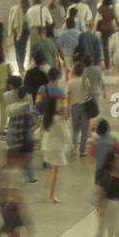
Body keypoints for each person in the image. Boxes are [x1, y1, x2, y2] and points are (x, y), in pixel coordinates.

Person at [91, 144, 119, 237]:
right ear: (112, 163)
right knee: (101, 229)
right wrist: (100, 207)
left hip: (116, 204)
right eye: (117, 162)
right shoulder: (107, 176)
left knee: (116, 228)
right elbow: (101, 192)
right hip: (107, 204)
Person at [40, 73, 70, 202]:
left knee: (51, 170)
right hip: (56, 148)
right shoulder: (57, 119)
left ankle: (49, 192)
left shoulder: (46, 118)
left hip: (47, 146)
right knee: (55, 172)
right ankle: (52, 195)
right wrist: (71, 144)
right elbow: (64, 134)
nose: (60, 105)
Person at [66, 63, 92, 156]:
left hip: (74, 107)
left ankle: (74, 148)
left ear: (74, 71)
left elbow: (68, 97)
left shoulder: (70, 82)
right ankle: (82, 150)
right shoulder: (86, 81)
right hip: (85, 106)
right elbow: (89, 94)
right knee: (85, 130)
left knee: (75, 129)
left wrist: (67, 109)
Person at [9, 0, 30, 74]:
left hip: (23, 32)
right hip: (21, 32)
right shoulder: (16, 9)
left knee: (20, 50)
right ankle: (20, 66)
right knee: (21, 49)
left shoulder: (27, 10)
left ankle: (21, 65)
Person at [97, 0, 118, 68]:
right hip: (111, 29)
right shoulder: (112, 10)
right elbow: (117, 20)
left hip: (103, 29)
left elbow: (98, 9)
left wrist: (103, 4)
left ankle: (107, 65)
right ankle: (114, 62)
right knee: (114, 46)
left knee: (105, 48)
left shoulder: (102, 9)